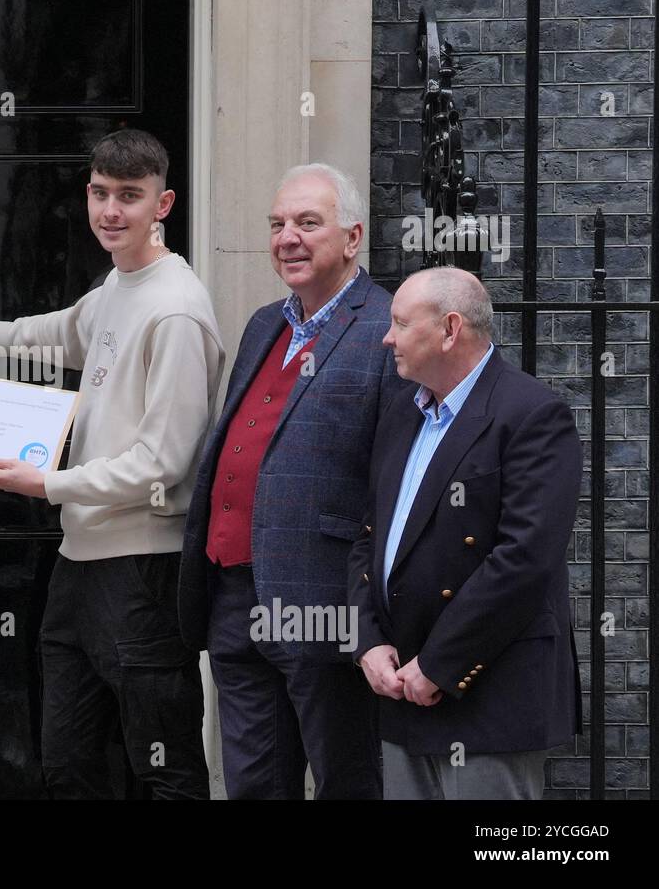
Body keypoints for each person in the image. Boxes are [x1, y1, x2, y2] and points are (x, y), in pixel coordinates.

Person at [0, 128, 224, 799]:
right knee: (66, 762)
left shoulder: (176, 308)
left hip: (142, 570)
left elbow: (164, 460)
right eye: (99, 193)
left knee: (164, 767)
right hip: (79, 564)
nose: (110, 210)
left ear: (164, 203)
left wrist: (50, 483)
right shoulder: (117, 286)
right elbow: (70, 329)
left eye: (130, 195)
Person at [180, 163, 407, 799]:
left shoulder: (387, 328)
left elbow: (396, 483)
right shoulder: (262, 324)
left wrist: (371, 612)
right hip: (233, 591)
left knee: (345, 780)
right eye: (278, 224)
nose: (288, 237)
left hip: (325, 599)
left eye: (309, 223)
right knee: (253, 783)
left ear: (353, 237)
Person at [348, 267, 581, 799]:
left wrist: (440, 664)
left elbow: (523, 560)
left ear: (450, 329)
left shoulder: (532, 415)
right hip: (403, 686)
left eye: (401, 323)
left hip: (487, 692)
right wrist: (368, 642)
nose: (387, 338)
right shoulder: (401, 414)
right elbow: (370, 535)